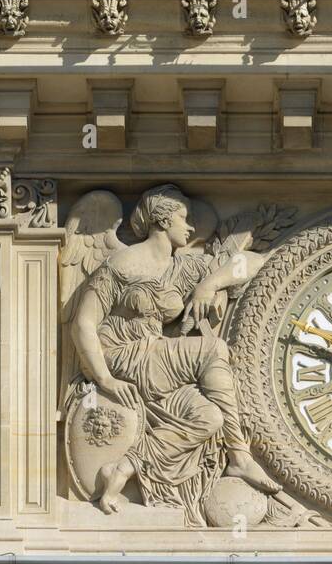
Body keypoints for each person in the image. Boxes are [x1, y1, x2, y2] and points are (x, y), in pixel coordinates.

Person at [68, 184, 278, 515]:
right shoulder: (122, 264)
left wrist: (210, 284)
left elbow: (252, 262)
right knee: (212, 350)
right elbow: (83, 324)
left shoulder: (184, 267)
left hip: (156, 361)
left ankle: (122, 468)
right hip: (122, 354)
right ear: (163, 220)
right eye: (184, 218)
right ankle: (239, 456)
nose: (191, 228)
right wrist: (105, 380)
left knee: (209, 417)